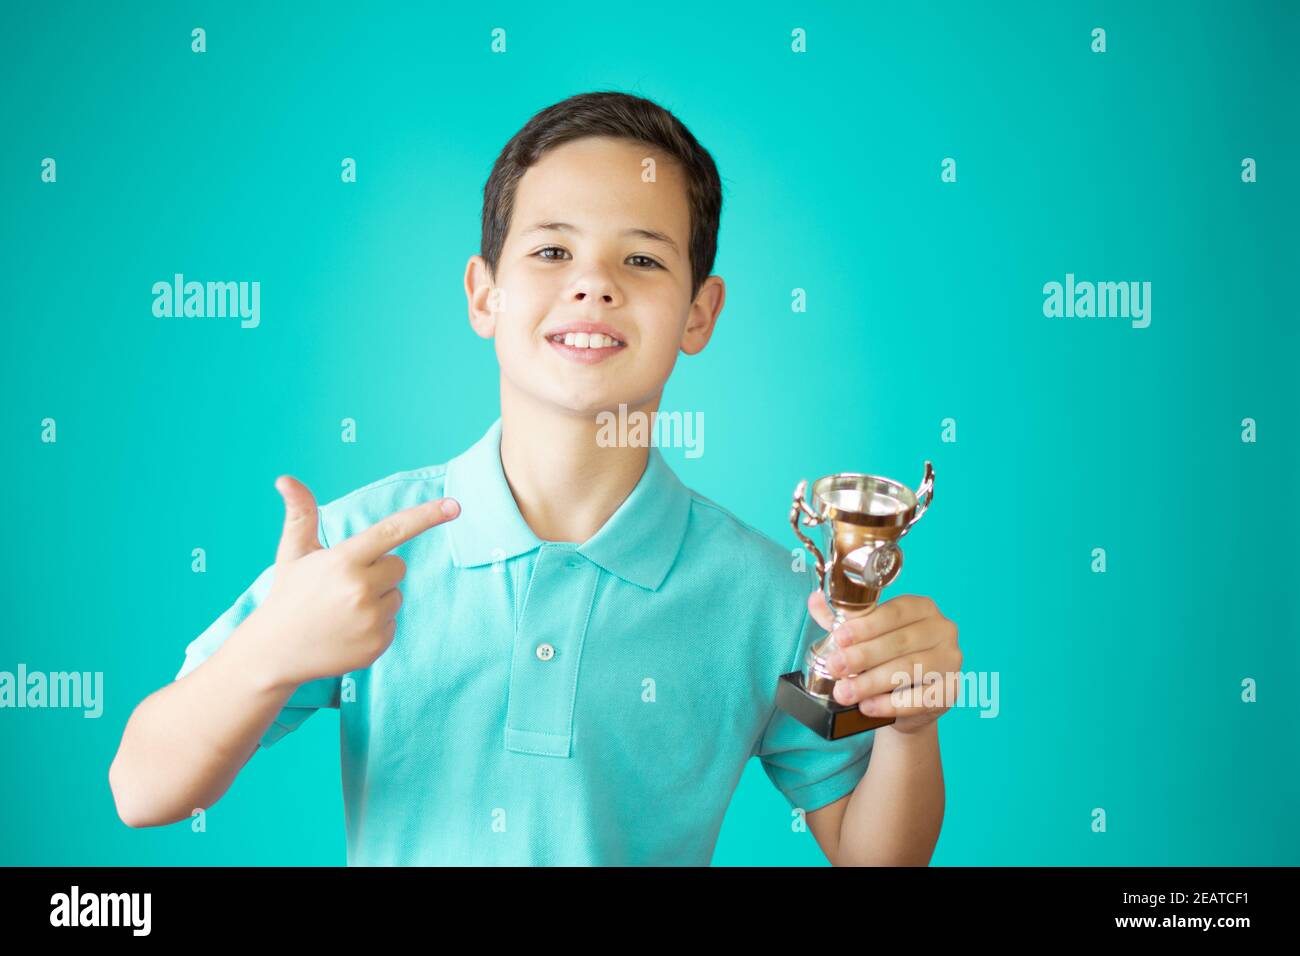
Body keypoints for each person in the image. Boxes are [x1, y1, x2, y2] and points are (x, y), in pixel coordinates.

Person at [108, 90, 961, 865]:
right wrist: (268, 650)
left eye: (643, 261)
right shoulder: (357, 554)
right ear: (485, 296)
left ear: (700, 313)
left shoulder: (774, 597)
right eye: (553, 250)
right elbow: (142, 790)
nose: (592, 285)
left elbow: (874, 856)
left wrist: (911, 726)